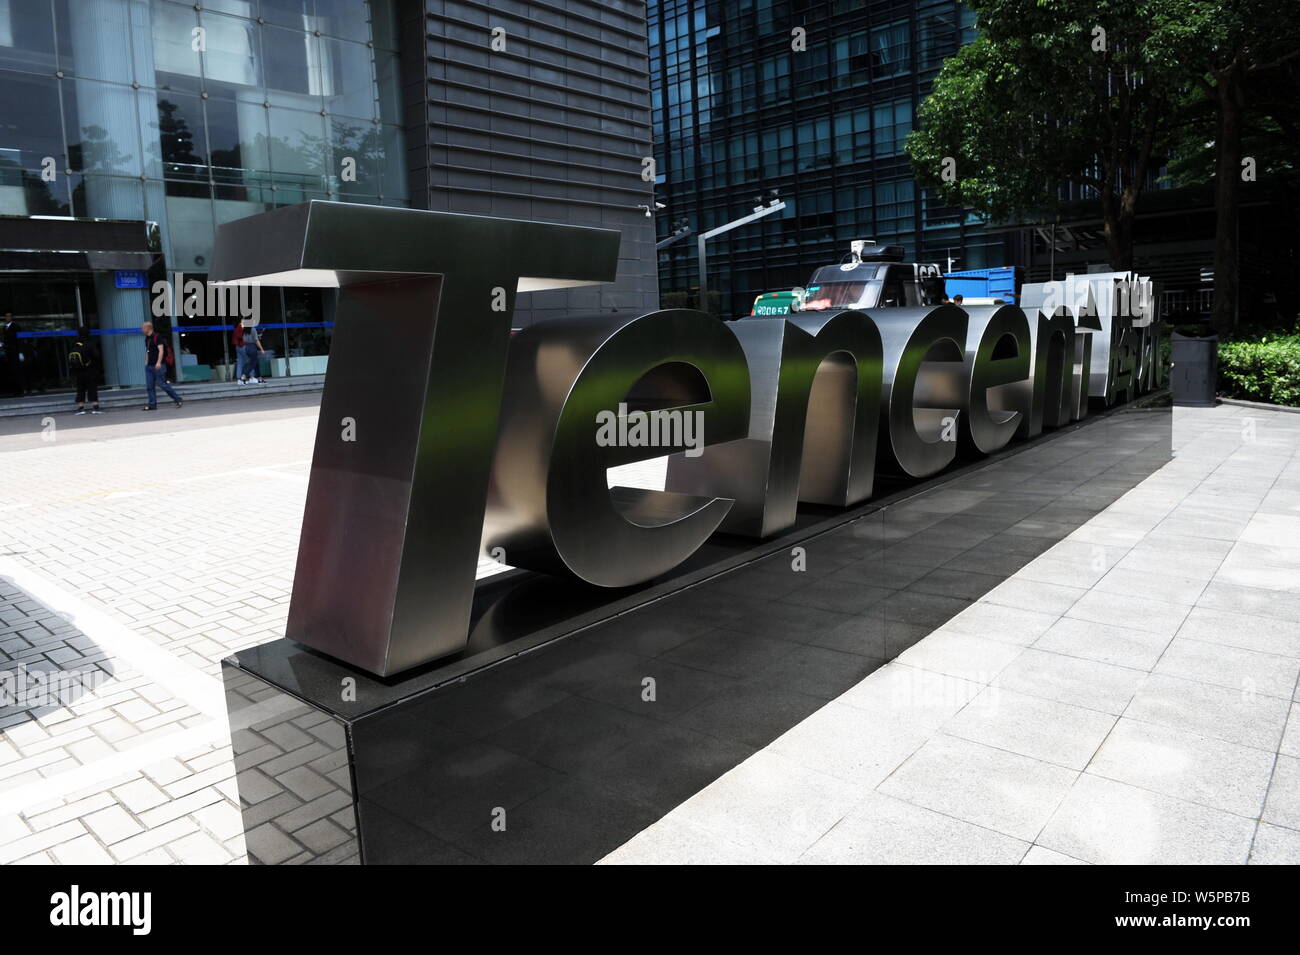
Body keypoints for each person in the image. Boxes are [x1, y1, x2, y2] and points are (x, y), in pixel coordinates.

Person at [141, 321, 182, 410]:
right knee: (149, 386)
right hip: (149, 366)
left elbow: (161, 351)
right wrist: (146, 362)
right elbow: (148, 351)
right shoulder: (147, 339)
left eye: (143, 328)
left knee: (162, 384)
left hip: (158, 365)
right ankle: (152, 404)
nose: (142, 329)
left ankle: (177, 399)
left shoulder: (157, 337)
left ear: (148, 328)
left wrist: (159, 362)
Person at [68, 328, 102, 414]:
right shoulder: (90, 343)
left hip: (78, 370)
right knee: (92, 387)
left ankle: (81, 408)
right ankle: (95, 407)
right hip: (90, 369)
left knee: (80, 388)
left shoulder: (74, 343)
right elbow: (96, 355)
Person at [3, 312, 27, 397]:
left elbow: (19, 340)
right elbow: (7, 340)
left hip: (15, 352)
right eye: (6, 316)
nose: (7, 318)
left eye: (9, 316)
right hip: (9, 353)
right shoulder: (5, 327)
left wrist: (20, 352)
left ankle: (21, 390)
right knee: (12, 371)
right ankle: (16, 390)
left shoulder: (16, 326)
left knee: (17, 371)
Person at [238, 319, 265, 384]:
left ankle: (259, 378)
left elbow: (243, 340)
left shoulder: (244, 330)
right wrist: (261, 349)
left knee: (256, 363)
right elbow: (256, 341)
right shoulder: (253, 329)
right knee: (252, 364)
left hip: (247, 347)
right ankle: (243, 377)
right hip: (252, 347)